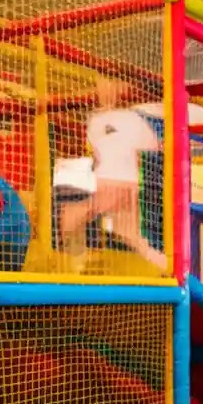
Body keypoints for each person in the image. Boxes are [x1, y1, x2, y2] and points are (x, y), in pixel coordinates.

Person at [55, 78, 169, 273]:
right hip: (130, 184)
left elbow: (95, 151)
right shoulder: (136, 121)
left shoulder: (108, 119)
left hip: (111, 181)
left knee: (71, 216)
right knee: (129, 234)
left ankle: (70, 271)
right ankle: (170, 269)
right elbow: (150, 148)